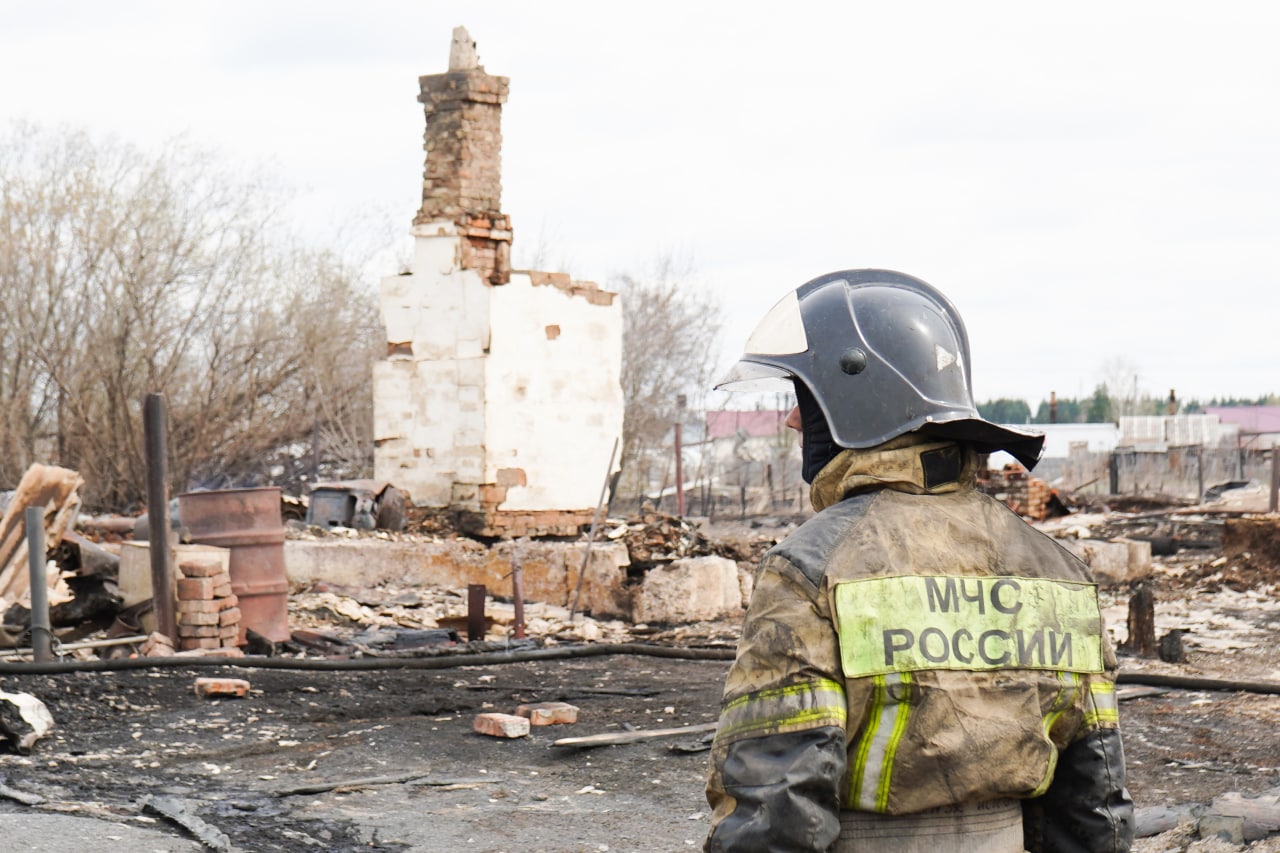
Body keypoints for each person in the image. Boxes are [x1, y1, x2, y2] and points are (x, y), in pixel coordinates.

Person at [703, 269, 1133, 853]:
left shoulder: (810, 569)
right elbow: (1093, 796)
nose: (793, 420)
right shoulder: (1057, 568)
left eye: (804, 398)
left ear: (852, 403)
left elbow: (773, 809)